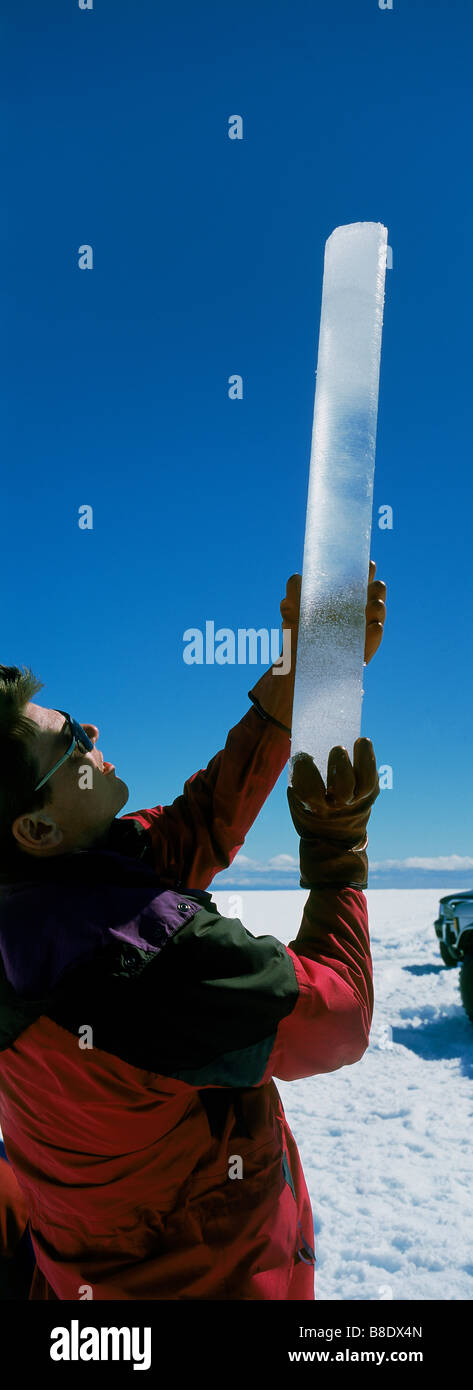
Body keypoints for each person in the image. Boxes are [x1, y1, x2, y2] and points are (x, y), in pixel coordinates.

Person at [0, 566, 386, 1301]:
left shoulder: (45, 885)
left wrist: (295, 674)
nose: (94, 732)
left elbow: (199, 822)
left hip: (76, 1270)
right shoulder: (138, 958)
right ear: (39, 825)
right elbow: (335, 1021)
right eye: (73, 738)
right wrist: (336, 859)